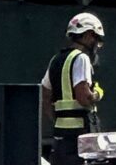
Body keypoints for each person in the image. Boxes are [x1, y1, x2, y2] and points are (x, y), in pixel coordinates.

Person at [41, 12, 105, 163]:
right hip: (81, 135)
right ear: (89, 35)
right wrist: (97, 94)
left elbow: (45, 94)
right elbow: (83, 97)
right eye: (96, 39)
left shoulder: (55, 60)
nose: (97, 45)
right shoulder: (81, 58)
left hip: (61, 136)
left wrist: (59, 119)